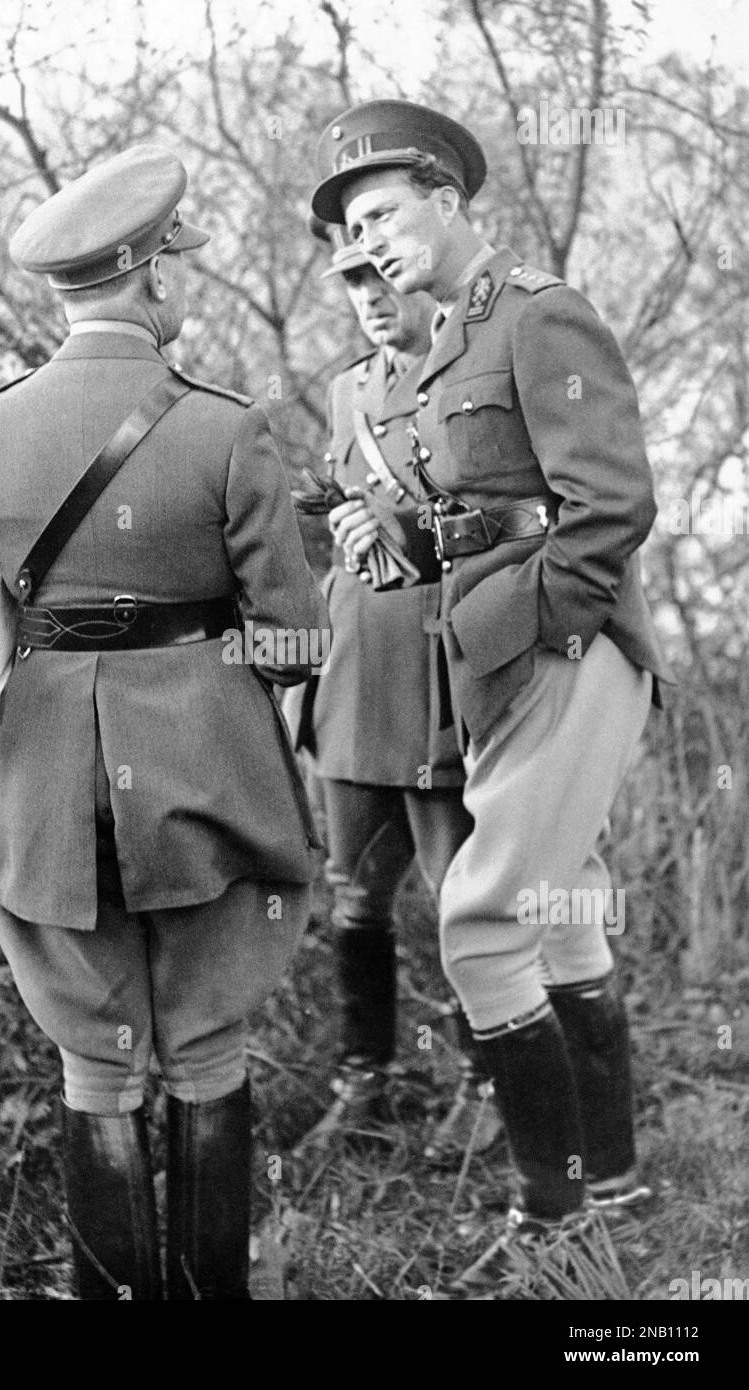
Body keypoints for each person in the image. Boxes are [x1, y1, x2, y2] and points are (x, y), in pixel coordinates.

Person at [0, 144, 328, 1300]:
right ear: (150, 275)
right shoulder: (227, 426)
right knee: (206, 1049)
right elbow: (294, 637)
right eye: (176, 269)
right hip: (211, 786)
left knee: (95, 1062)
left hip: (47, 794)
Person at [311, 99, 673, 1280]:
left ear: (453, 199)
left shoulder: (538, 315)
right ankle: (610, 1181)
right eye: (352, 229)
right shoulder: (448, 348)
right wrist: (396, 538)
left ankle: (553, 1216)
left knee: (478, 921)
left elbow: (608, 510)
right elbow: (468, 522)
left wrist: (527, 630)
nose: (370, 245)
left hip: (563, 652)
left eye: (385, 214)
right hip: (500, 658)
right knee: (562, 909)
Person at [286, 218, 500, 1158]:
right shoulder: (346, 393)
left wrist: (413, 530)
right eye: (354, 285)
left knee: (462, 893)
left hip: (439, 668)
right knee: (354, 895)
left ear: (423, 282)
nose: (372, 299)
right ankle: (364, 1084)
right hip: (357, 670)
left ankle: (490, 1087)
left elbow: (507, 519)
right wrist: (333, 524)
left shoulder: (471, 378)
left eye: (384, 277)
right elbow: (343, 501)